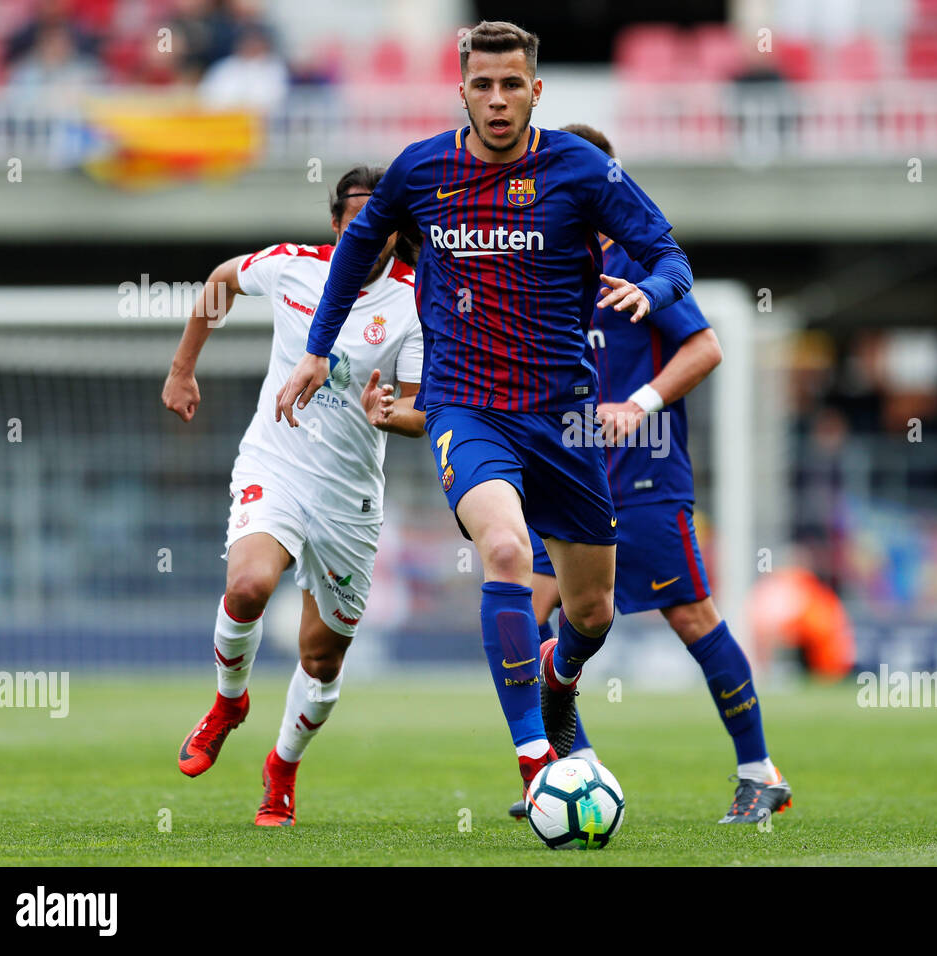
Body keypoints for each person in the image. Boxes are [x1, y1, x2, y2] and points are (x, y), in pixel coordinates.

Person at [273, 21, 694, 802]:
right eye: (482, 85)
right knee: (504, 551)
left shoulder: (582, 170)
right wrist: (315, 349)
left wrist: (655, 291)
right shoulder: (421, 169)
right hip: (467, 408)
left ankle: (559, 676)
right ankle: (536, 757)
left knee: (593, 610)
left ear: (536, 91)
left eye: (512, 85)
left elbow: (670, 254)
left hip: (563, 415)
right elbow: (357, 253)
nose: (497, 100)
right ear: (461, 89)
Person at [503, 123, 791, 825]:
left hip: (642, 480)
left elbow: (706, 346)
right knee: (523, 617)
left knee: (691, 615)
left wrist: (640, 403)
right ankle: (573, 768)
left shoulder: (638, 260)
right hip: (565, 482)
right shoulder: (534, 266)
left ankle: (760, 772)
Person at [162, 166, 424, 825]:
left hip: (349, 497)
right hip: (275, 461)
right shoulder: (292, 267)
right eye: (355, 218)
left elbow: (427, 409)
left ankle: (281, 768)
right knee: (248, 587)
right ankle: (229, 703)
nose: (367, 230)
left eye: (381, 220)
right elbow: (223, 280)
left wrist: (387, 411)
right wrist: (182, 368)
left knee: (321, 656)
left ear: (395, 231)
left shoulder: (416, 301)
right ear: (338, 223)